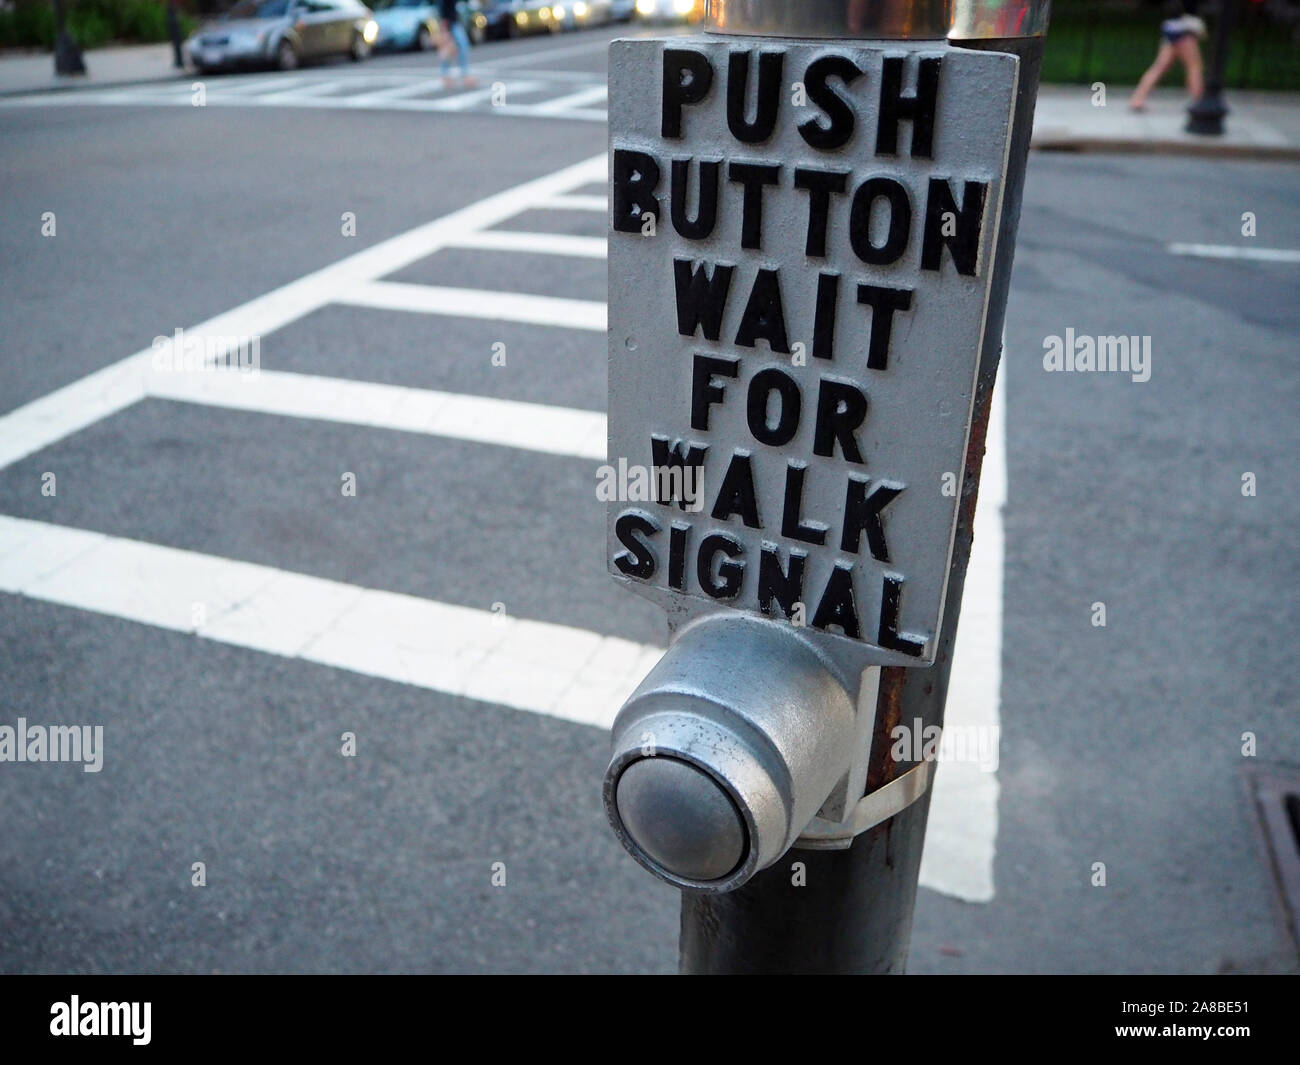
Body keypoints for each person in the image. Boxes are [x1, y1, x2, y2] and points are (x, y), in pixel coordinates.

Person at [1128, 3, 1208, 111]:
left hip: (1170, 28)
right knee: (1194, 68)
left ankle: (1137, 99)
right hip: (1186, 30)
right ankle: (1198, 101)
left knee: (1158, 68)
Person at [436, 0, 475, 88]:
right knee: (459, 47)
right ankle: (462, 75)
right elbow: (443, 6)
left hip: (453, 22)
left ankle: (447, 75)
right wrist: (445, 26)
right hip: (449, 23)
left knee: (453, 48)